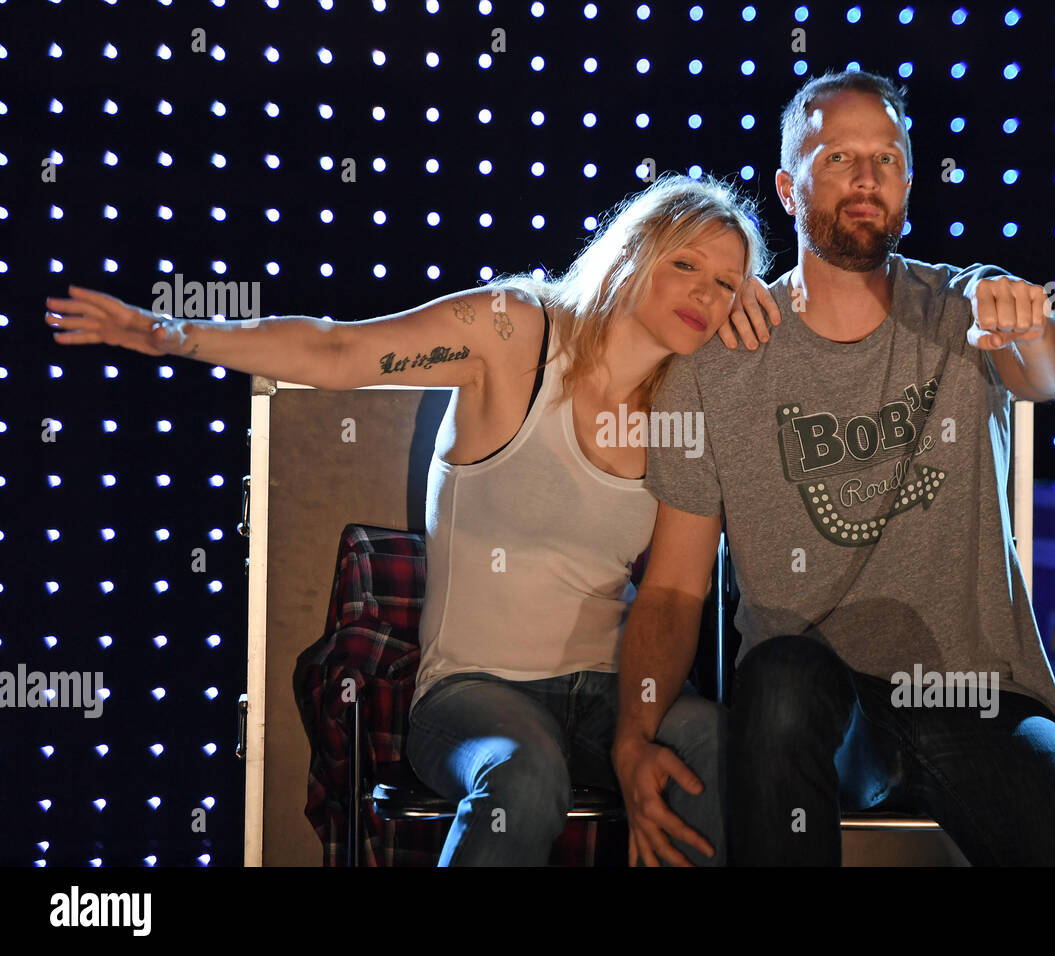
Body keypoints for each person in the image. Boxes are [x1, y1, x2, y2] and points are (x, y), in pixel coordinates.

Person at [43, 172, 771, 866]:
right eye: (686, 264)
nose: (705, 294)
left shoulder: (693, 416)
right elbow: (338, 349)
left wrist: (639, 729)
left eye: (727, 284)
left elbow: (676, 593)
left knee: (715, 746)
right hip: (475, 693)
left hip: (607, 690)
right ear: (634, 253)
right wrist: (169, 333)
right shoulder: (516, 333)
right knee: (523, 776)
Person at [613, 71, 1055, 866]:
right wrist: (632, 740)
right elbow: (676, 587)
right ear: (789, 188)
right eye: (838, 158)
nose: (866, 178)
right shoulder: (721, 362)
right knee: (781, 675)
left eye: (887, 159)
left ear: (909, 185)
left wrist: (1032, 325)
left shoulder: (967, 310)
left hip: (977, 699)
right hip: (824, 715)